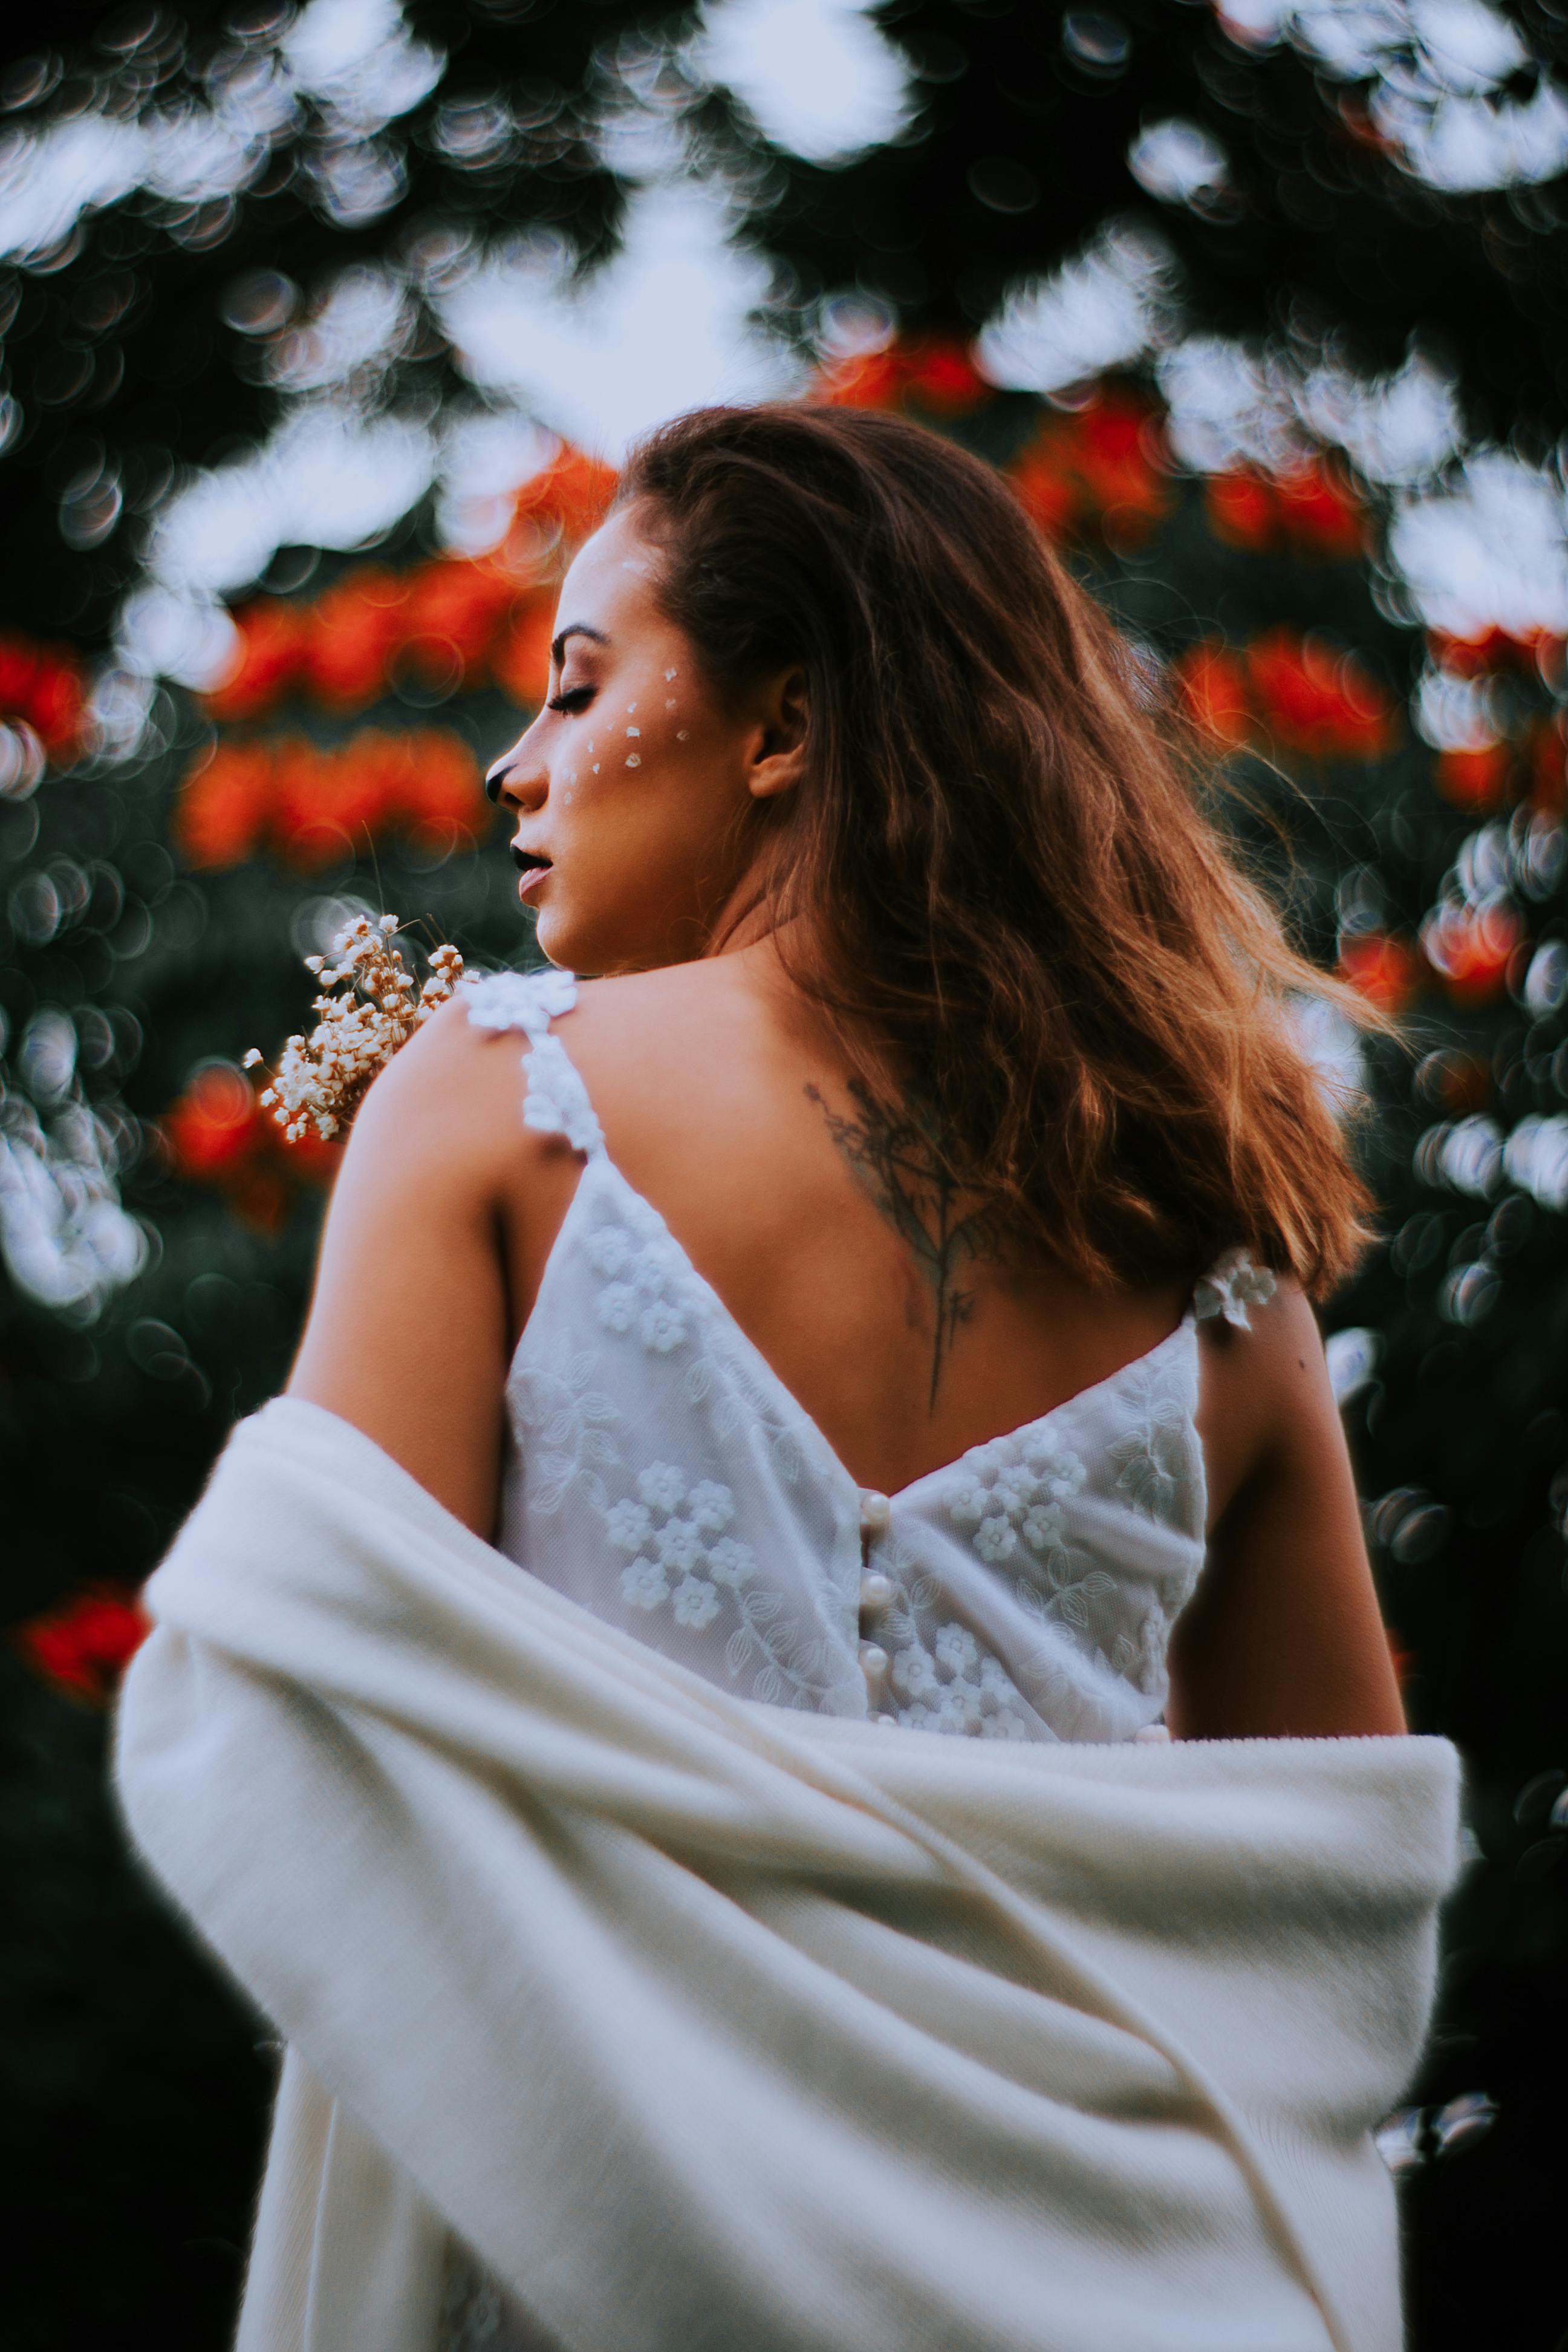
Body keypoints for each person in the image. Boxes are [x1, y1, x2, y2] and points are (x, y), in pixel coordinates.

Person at [119, 405, 1439, 2352]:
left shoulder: (497, 1112)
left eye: (579, 690)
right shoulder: (1221, 1276)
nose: (518, 764)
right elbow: (1323, 1930)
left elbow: (302, 1721)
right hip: (1099, 2290)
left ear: (781, 725)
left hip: (586, 2267)